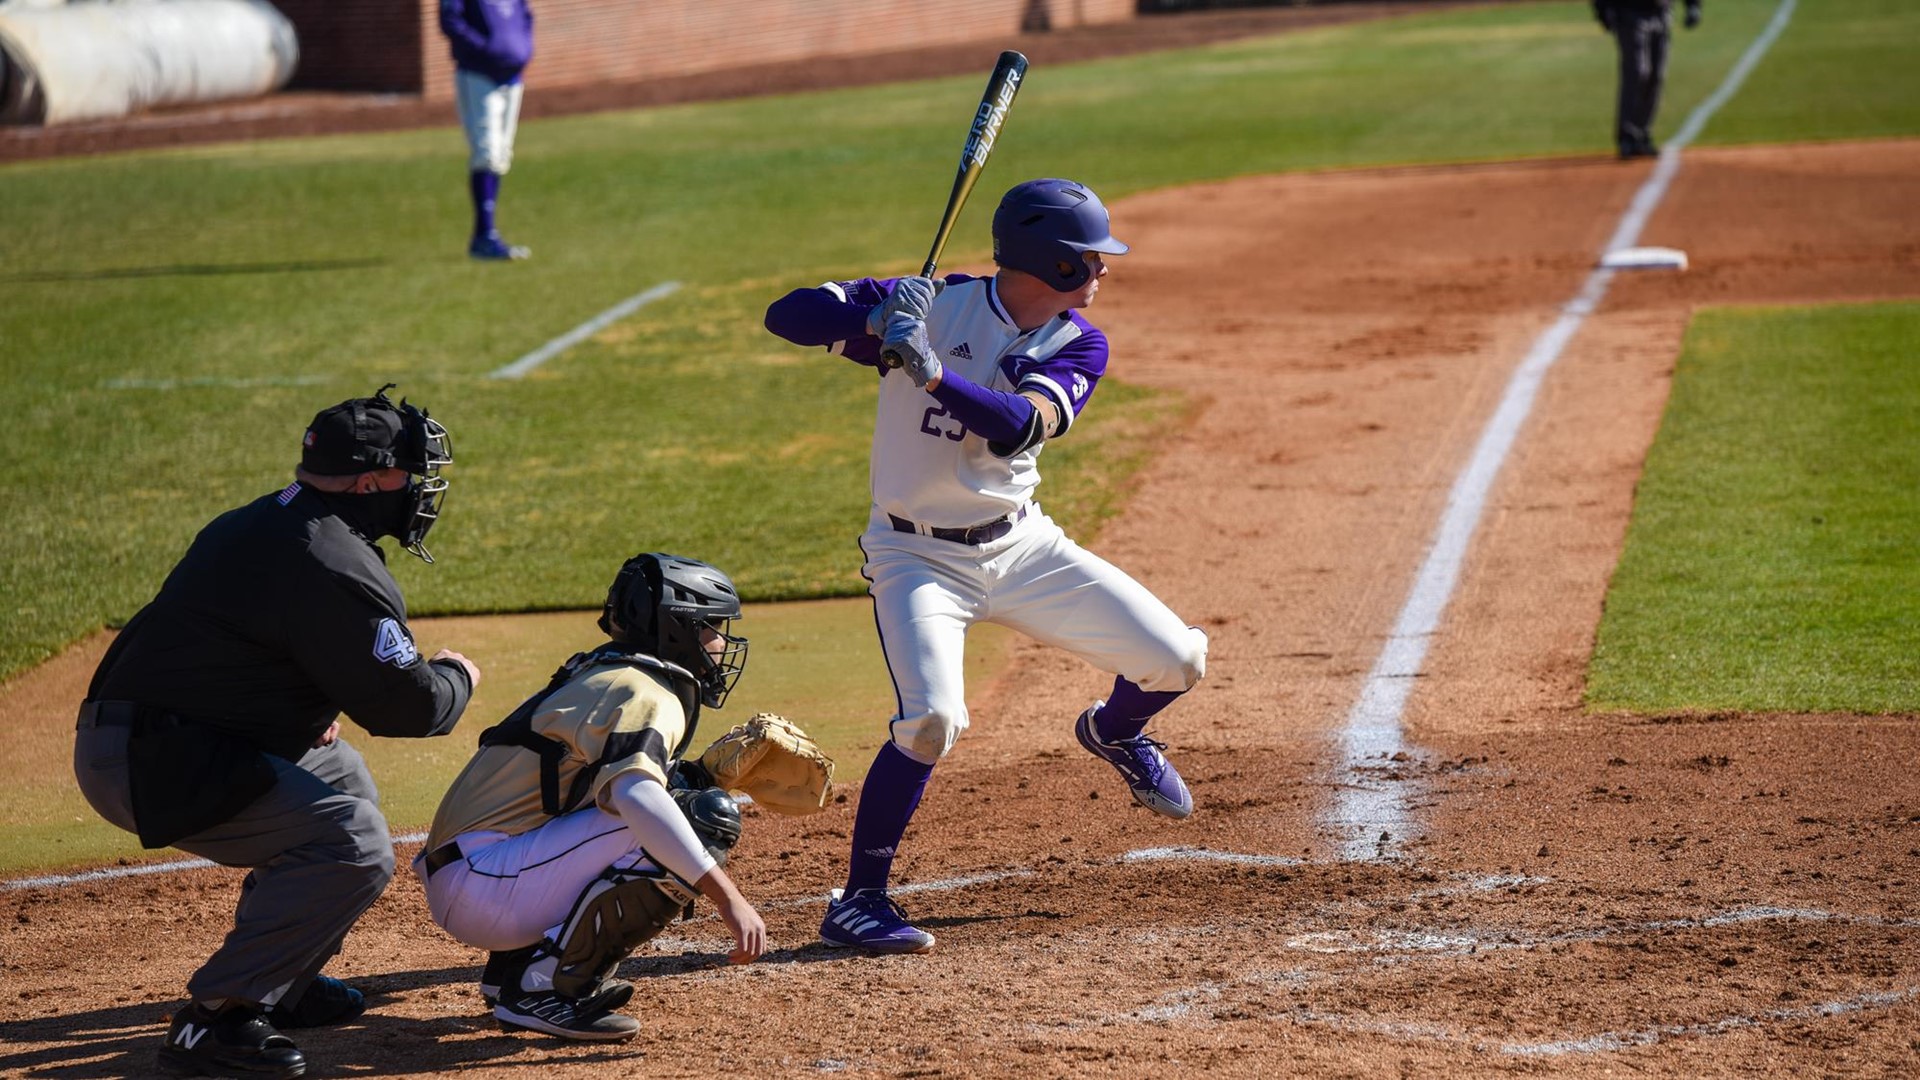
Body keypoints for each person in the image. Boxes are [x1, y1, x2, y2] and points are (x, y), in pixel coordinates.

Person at [762, 177, 1209, 954]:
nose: (1103, 273)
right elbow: (786, 317)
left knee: (1179, 658)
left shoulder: (1077, 343)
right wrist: (875, 315)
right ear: (1053, 261)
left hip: (1022, 547)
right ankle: (859, 901)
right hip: (915, 557)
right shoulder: (930, 303)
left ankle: (1115, 732)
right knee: (932, 721)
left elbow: (1015, 427)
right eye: (1092, 259)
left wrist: (928, 369)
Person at [73, 386, 478, 1079]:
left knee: (344, 775)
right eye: (410, 477)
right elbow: (409, 709)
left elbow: (230, 650)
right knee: (352, 844)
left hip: (164, 733)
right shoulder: (331, 563)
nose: (418, 491)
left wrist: (296, 708)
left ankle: (283, 983)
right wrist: (456, 676)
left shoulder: (271, 520)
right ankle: (217, 1019)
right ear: (373, 482)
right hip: (151, 761)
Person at [414, 553, 767, 1041]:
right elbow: (638, 797)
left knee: (683, 797)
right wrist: (728, 899)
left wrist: (703, 773)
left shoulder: (611, 673)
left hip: (481, 871)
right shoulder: (644, 691)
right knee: (699, 819)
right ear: (676, 630)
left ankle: (514, 971)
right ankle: (545, 987)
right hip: (484, 884)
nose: (721, 642)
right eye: (711, 627)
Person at [439, 0, 535, 260]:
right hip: (479, 74)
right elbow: (450, 21)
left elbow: (525, 16)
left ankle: (487, 235)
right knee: (486, 152)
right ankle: (484, 236)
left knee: (501, 156)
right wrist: (486, 50)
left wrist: (524, 47)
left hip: (512, 76)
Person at [1595, 0, 1702, 159]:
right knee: (1637, 72)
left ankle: (1642, 133)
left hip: (1661, 13)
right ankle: (1628, 136)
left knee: (1656, 76)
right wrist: (1603, 10)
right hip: (1629, 13)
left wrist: (1693, 5)